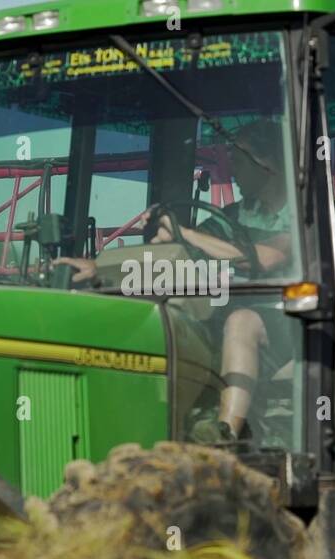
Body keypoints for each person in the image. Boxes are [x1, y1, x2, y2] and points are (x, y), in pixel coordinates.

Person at [57, 119, 293, 444]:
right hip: (223, 321)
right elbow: (181, 253)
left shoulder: (305, 215)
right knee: (170, 317)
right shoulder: (233, 217)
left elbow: (265, 257)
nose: (231, 172)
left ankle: (223, 436)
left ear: (266, 164)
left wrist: (187, 233)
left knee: (242, 321)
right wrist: (98, 267)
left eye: (237, 161)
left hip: (293, 325)